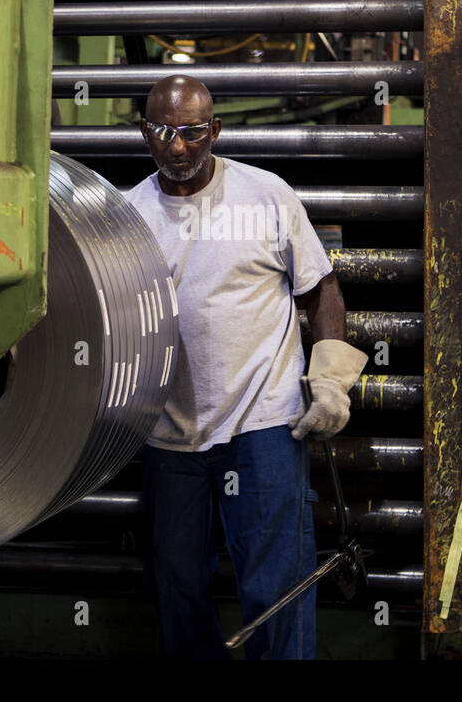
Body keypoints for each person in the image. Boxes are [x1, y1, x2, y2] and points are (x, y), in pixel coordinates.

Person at [124, 74, 368, 660]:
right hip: (167, 434)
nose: (177, 147)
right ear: (144, 132)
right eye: (162, 131)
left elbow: (321, 289)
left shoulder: (265, 196)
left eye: (190, 132)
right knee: (175, 588)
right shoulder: (127, 215)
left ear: (215, 129)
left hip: (262, 428)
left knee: (276, 589)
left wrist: (330, 379)